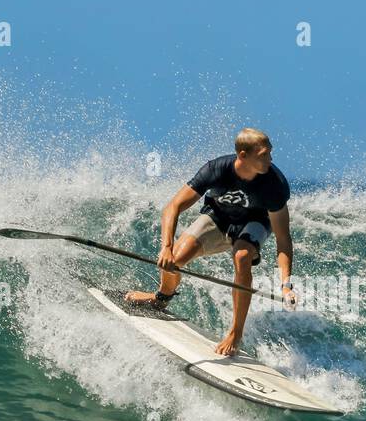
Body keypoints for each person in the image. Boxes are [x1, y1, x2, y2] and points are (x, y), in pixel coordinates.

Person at [125, 128, 297, 356]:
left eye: (270, 153)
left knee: (242, 256)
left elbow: (283, 240)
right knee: (173, 260)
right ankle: (161, 298)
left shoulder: (275, 184)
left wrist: (286, 285)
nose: (270, 159)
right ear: (243, 155)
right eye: (263, 154)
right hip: (218, 217)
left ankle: (236, 333)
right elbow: (172, 207)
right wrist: (166, 247)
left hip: (255, 222)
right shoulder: (216, 170)